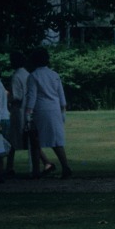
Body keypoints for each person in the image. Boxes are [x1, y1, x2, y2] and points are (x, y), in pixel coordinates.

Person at [24, 47, 74, 178]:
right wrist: (63, 111)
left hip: (40, 111)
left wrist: (27, 116)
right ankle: (65, 167)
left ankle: (36, 171)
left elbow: (32, 97)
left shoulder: (33, 76)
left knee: (35, 141)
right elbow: (61, 95)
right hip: (55, 110)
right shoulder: (54, 74)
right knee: (57, 141)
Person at [6, 51, 52, 176]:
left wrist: (7, 97)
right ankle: (9, 166)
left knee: (15, 139)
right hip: (29, 110)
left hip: (19, 111)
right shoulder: (27, 74)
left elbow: (17, 96)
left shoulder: (16, 76)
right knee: (29, 139)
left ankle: (9, 167)